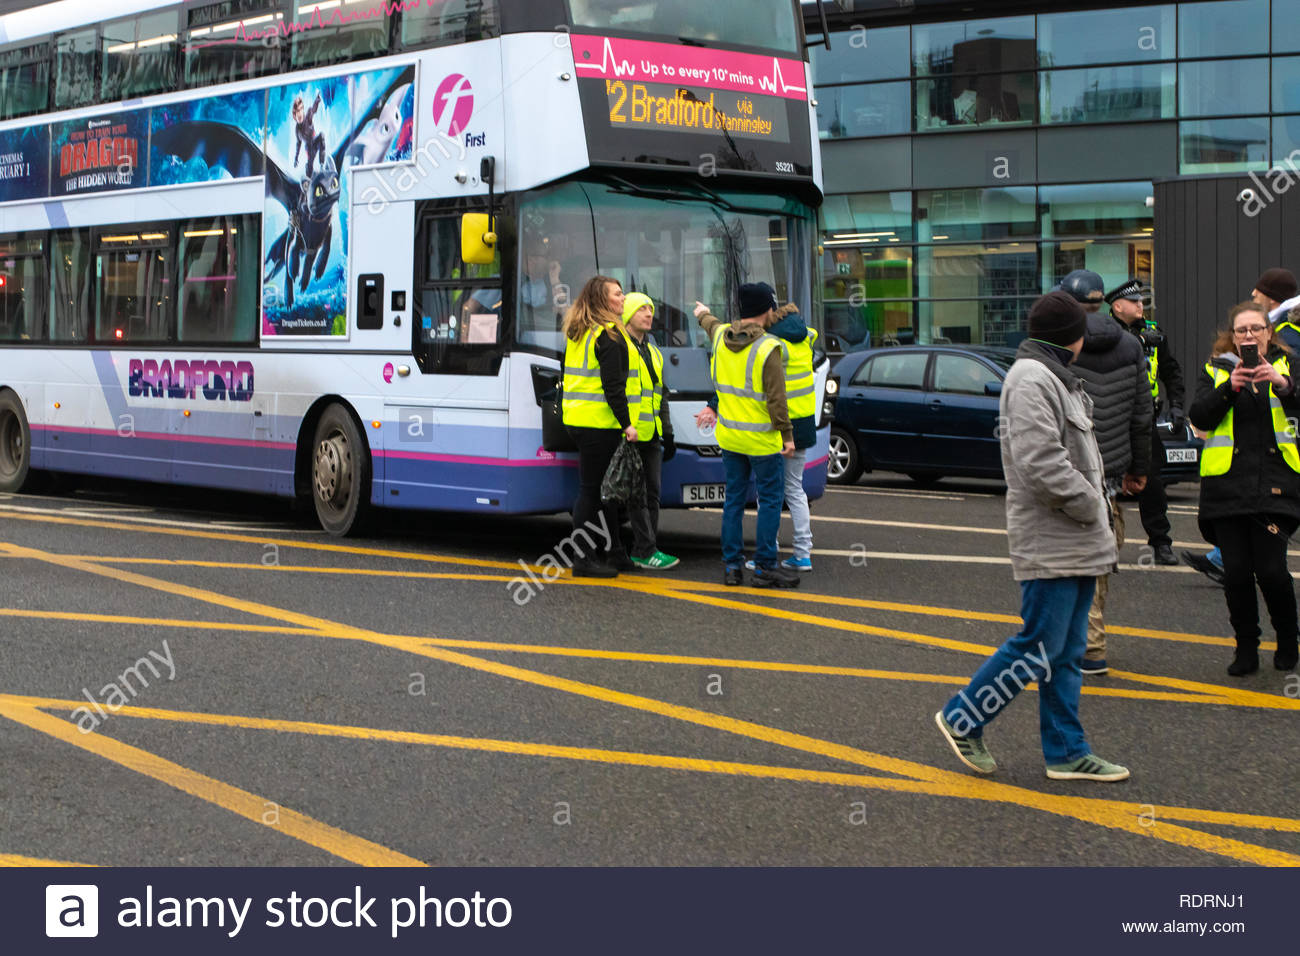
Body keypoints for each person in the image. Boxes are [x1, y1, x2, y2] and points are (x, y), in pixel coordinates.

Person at [934, 291, 1128, 782]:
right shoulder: (1032, 379)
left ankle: (1066, 752)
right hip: (1054, 539)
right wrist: (1093, 507)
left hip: (1076, 541)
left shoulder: (1053, 376)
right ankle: (963, 717)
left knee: (1065, 653)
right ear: (1073, 338)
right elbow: (1041, 465)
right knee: (1038, 645)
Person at [1189, 301, 1300, 675]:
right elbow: (1200, 416)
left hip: (1276, 486)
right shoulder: (1216, 370)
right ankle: (1246, 647)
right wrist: (1229, 390)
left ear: (1269, 333)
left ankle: (1288, 639)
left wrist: (1284, 387)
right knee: (1235, 574)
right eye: (1242, 331)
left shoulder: (1288, 366)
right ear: (1232, 337)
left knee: (1271, 571)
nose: (1249, 336)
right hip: (1227, 488)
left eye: (1256, 328)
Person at [1059, 270, 1152, 676]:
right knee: (1099, 557)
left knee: (1061, 561)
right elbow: (1141, 413)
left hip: (1067, 472)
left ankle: (1075, 643)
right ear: (1103, 303)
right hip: (1110, 475)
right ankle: (1092, 643)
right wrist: (1139, 469)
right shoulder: (1130, 345)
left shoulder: (1056, 345)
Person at [696, 300, 818, 573]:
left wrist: (703, 314)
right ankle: (802, 552)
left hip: (772, 427)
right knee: (794, 490)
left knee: (761, 497)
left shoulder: (768, 344)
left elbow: (764, 391)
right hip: (804, 422)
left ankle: (761, 555)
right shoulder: (806, 337)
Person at [561, 276, 636, 577]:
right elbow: (613, 386)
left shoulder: (580, 331)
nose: (623, 298)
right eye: (617, 294)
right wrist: (627, 423)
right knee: (592, 492)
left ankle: (615, 551)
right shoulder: (608, 334)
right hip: (597, 423)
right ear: (603, 301)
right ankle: (583, 558)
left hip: (577, 419)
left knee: (605, 492)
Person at [1105, 278, 1183, 567]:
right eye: (1134, 301)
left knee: (1152, 482)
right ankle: (1105, 548)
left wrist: (1176, 406)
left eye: (1141, 300)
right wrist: (1136, 342)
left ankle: (1161, 543)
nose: (1141, 305)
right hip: (1112, 418)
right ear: (1117, 306)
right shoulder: (1104, 332)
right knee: (1107, 483)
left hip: (1145, 418)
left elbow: (1171, 372)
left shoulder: (1154, 333)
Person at [621, 292, 679, 570]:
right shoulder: (621, 347)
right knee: (637, 495)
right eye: (641, 309)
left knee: (652, 494)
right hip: (628, 435)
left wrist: (667, 433)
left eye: (650, 309)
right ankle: (645, 549)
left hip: (651, 435)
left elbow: (660, 395)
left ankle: (645, 549)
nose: (648, 313)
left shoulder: (653, 351)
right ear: (627, 314)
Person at [1251, 268, 1300, 353]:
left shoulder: (1286, 336)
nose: (1253, 293)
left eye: (1259, 291)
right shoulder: (1283, 326)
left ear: (1272, 299)